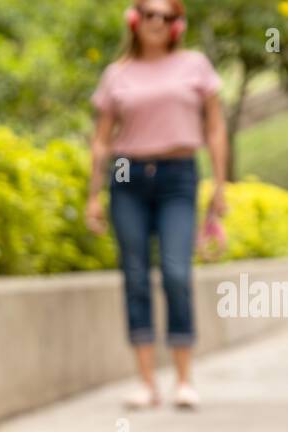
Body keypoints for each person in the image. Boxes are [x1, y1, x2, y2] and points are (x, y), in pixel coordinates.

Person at [85, 0, 228, 410]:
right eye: (149, 14)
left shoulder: (196, 66)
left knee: (176, 272)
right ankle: (147, 383)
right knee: (134, 275)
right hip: (127, 171)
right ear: (135, 20)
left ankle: (184, 379)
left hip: (178, 171)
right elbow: (102, 139)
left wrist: (220, 186)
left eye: (166, 16)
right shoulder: (117, 74)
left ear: (176, 25)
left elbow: (215, 128)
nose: (157, 22)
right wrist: (94, 195)